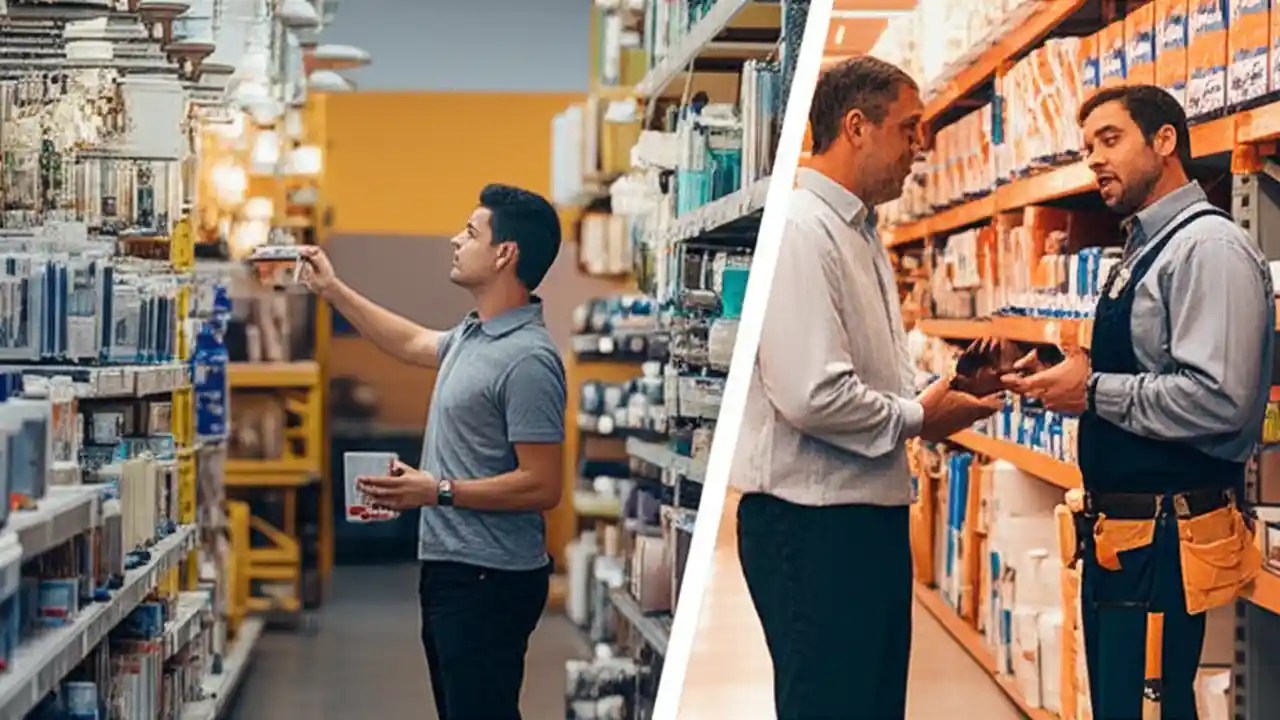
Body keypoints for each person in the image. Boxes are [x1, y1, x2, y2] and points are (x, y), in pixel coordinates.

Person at [731, 56, 1002, 720]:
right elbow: (811, 394)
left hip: (863, 522)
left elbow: (864, 376)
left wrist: (943, 388)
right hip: (814, 530)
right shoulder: (800, 229)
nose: (920, 147)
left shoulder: (856, 231)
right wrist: (916, 415)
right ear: (856, 126)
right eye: (909, 129)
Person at [1003, 84, 1272, 719]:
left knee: (1154, 708)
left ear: (1165, 141)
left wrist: (1091, 390)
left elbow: (1220, 401)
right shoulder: (1144, 247)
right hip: (1125, 542)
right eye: (1087, 145)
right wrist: (1065, 373)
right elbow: (1151, 368)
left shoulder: (1208, 249)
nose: (1094, 158)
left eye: (1110, 139)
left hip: (1168, 546)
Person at [298, 184, 568, 720]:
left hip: (490, 576)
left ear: (504, 253)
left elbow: (543, 484)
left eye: (470, 232)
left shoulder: (528, 359)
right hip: (453, 568)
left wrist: (437, 490)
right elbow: (410, 343)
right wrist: (333, 290)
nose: (454, 239)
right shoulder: (474, 336)